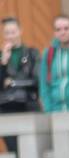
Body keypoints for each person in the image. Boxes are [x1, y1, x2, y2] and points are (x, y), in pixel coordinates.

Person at [0, 18, 40, 147]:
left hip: (27, 105)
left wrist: (13, 83)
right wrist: (3, 63)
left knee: (31, 148)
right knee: (13, 148)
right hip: (6, 108)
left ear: (20, 31)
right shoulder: (1, 56)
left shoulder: (32, 53)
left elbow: (36, 80)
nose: (10, 36)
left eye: (13, 31)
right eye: (7, 32)